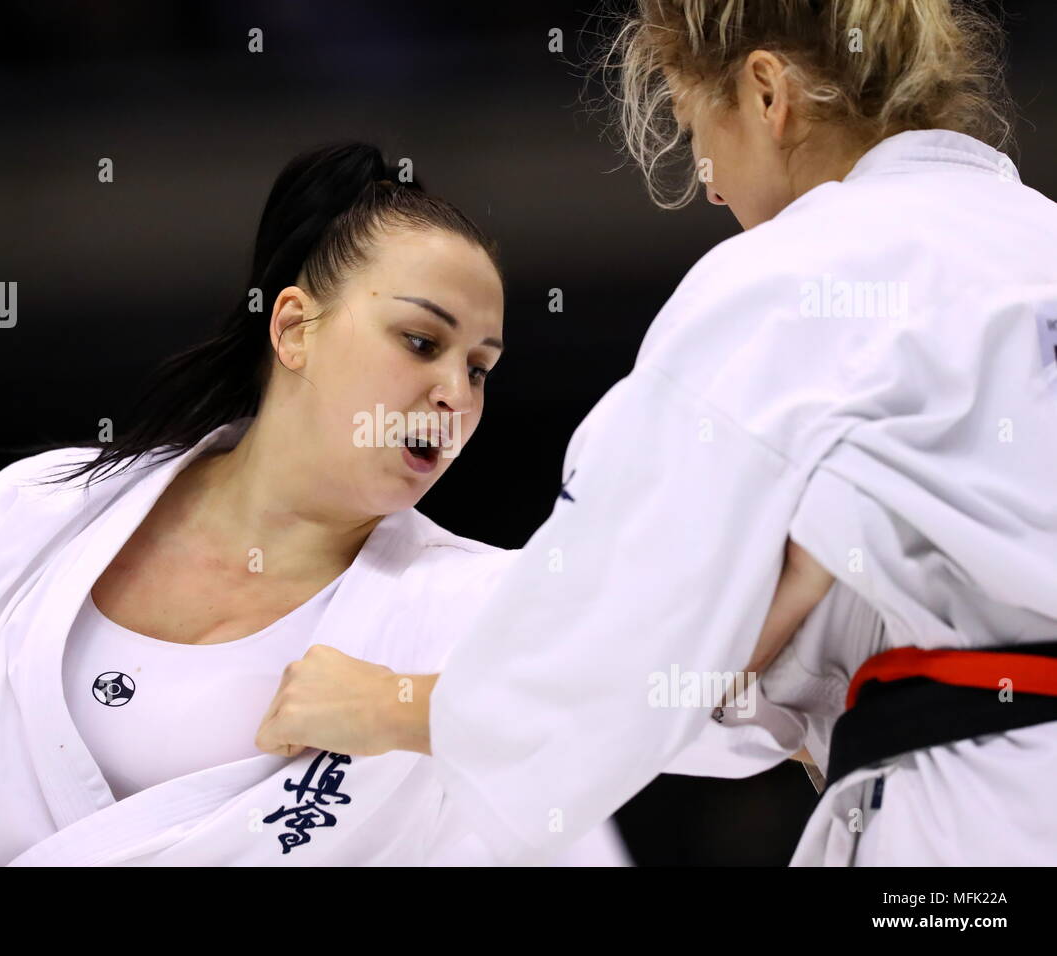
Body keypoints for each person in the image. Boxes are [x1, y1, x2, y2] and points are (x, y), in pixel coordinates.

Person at [254, 1, 1057, 866]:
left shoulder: (802, 269)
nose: (708, 183)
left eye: (691, 126)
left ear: (764, 92)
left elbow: (637, 598)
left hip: (988, 816)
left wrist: (391, 705)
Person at [0, 141, 629, 866]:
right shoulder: (38, 512)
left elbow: (662, 708)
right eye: (421, 341)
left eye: (479, 368)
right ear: (293, 329)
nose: (456, 396)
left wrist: (410, 706)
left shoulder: (478, 602)